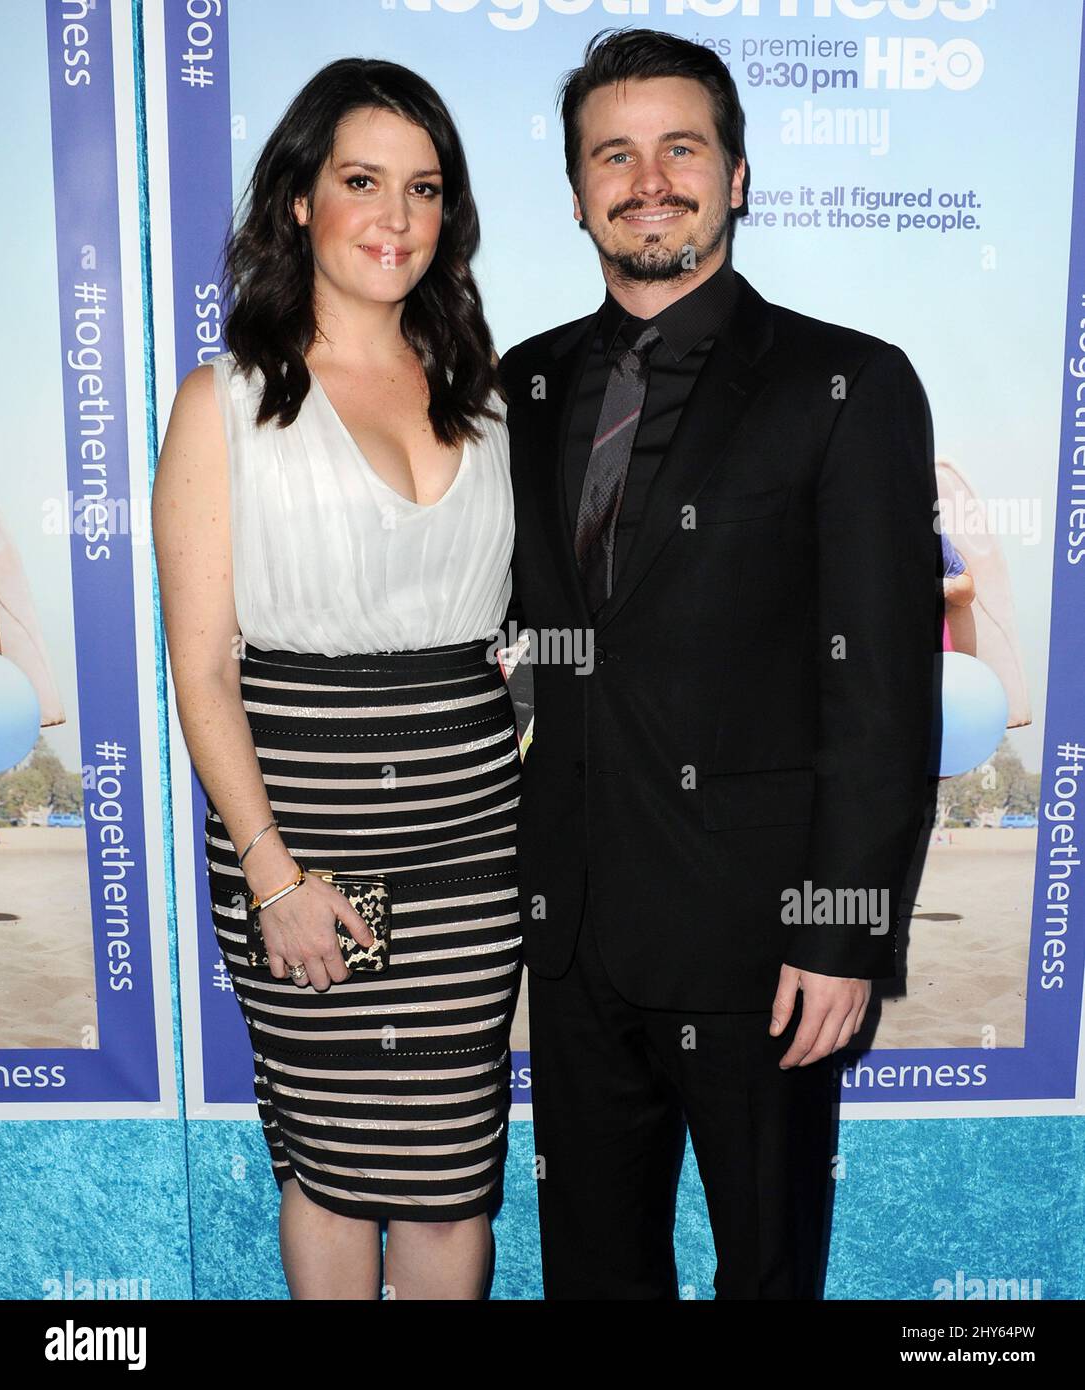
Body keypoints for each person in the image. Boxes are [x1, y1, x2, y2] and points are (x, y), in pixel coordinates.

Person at [497, 28, 941, 1299]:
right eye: (614, 154)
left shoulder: (848, 382)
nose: (649, 179)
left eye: (680, 148)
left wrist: (844, 934)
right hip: (573, 935)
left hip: (767, 951)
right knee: (593, 1271)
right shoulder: (520, 386)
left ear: (736, 175)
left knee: (766, 1269)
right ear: (578, 188)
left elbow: (882, 690)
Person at [152, 58, 522, 1300]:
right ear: (301, 201)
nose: (396, 217)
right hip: (305, 837)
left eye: (423, 189)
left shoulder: (489, 399)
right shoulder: (225, 404)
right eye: (362, 181)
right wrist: (274, 874)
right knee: (329, 1165)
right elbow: (202, 669)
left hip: (472, 836)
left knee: (451, 1166)